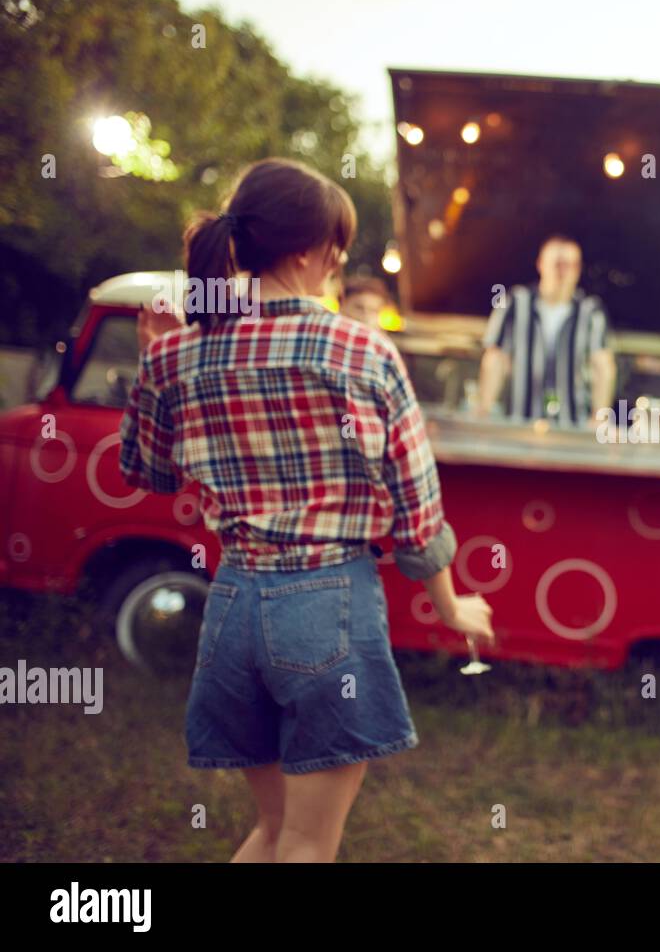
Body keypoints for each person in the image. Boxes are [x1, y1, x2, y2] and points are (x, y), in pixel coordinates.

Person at [119, 158, 495, 863]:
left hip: (231, 612)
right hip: (326, 611)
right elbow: (416, 507)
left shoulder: (175, 355)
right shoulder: (362, 352)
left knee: (274, 829)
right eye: (338, 246)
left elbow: (146, 471)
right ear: (307, 251)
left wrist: (152, 367)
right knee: (306, 843)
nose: (340, 262)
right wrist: (451, 606)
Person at [475, 234, 615, 426]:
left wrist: (600, 417)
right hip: (520, 419)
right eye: (557, 264)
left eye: (570, 266)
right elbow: (495, 358)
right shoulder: (515, 302)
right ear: (541, 264)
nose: (562, 273)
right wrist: (485, 409)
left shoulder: (590, 310)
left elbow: (603, 366)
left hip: (571, 422)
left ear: (578, 270)